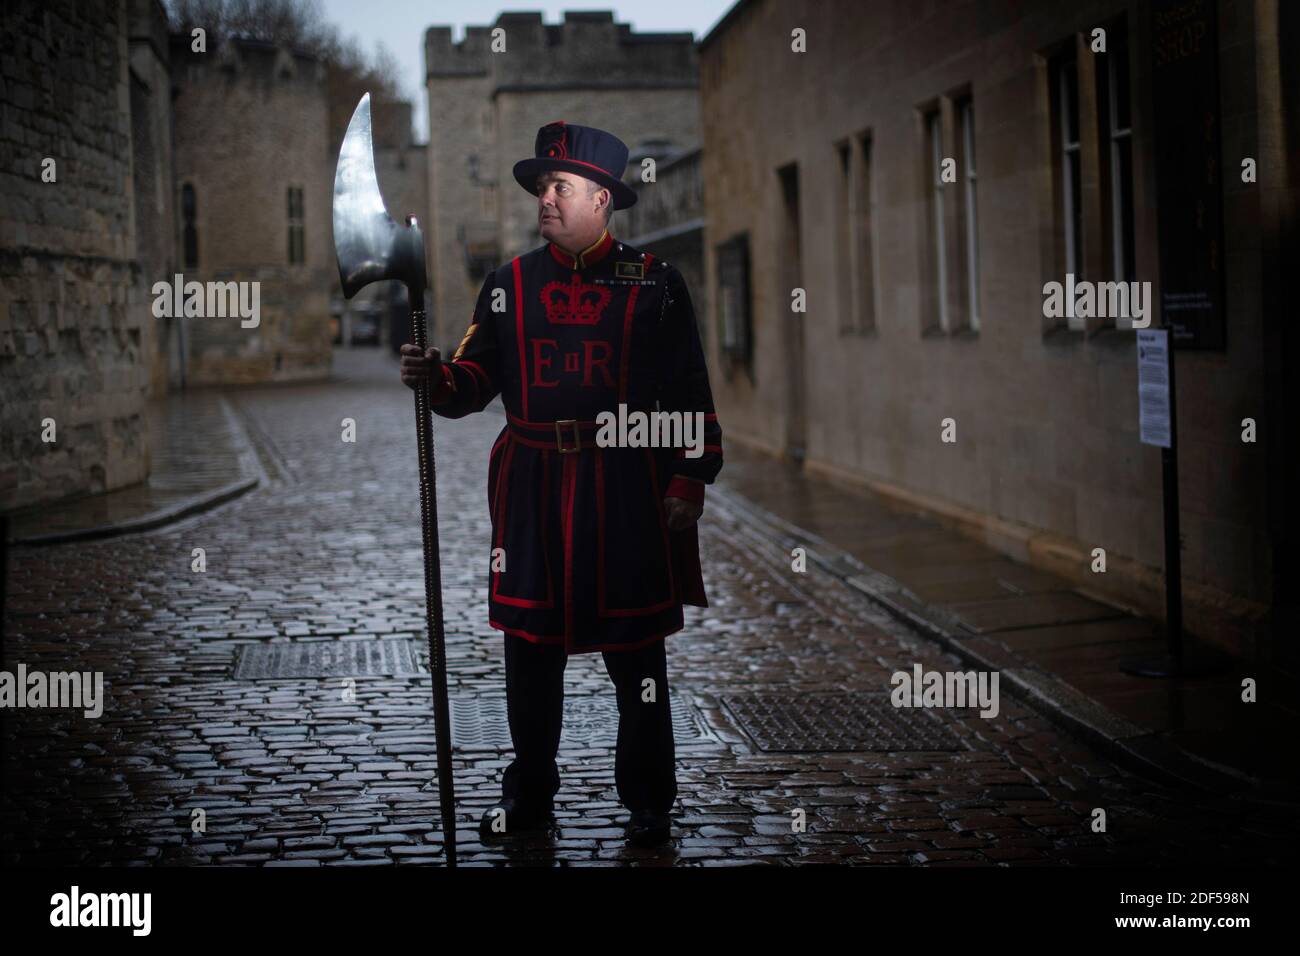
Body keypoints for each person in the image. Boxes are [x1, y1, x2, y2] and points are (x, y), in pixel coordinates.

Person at [400, 121, 723, 848]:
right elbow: (472, 381)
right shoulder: (508, 285)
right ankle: (529, 803)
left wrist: (690, 477)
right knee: (529, 655)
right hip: (534, 492)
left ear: (603, 199)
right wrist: (435, 378)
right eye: (542, 187)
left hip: (628, 492)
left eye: (560, 187)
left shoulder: (657, 284)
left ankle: (649, 805)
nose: (545, 198)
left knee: (637, 659)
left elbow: (689, 393)